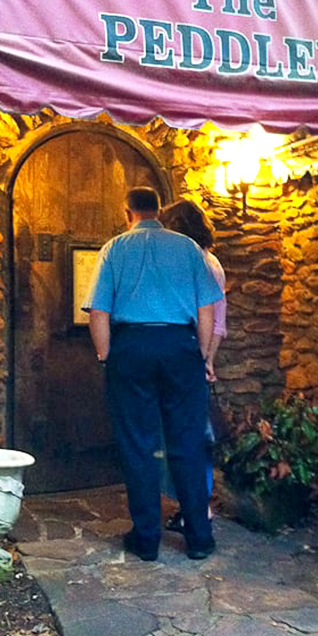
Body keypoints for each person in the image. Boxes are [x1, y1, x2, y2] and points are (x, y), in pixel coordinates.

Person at [84, 187, 223, 562]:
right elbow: (207, 309)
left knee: (138, 444)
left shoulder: (114, 249)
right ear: (158, 210)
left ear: (127, 211)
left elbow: (98, 312)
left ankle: (146, 539)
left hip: (132, 347)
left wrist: (106, 355)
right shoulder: (188, 249)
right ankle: (199, 538)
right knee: (188, 441)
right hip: (181, 345)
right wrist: (202, 354)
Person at [159, 200, 227, 531]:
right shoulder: (207, 261)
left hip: (188, 357)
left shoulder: (198, 264)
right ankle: (191, 505)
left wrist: (205, 360)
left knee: (193, 434)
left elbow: (213, 320)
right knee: (190, 433)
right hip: (191, 356)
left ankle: (198, 508)